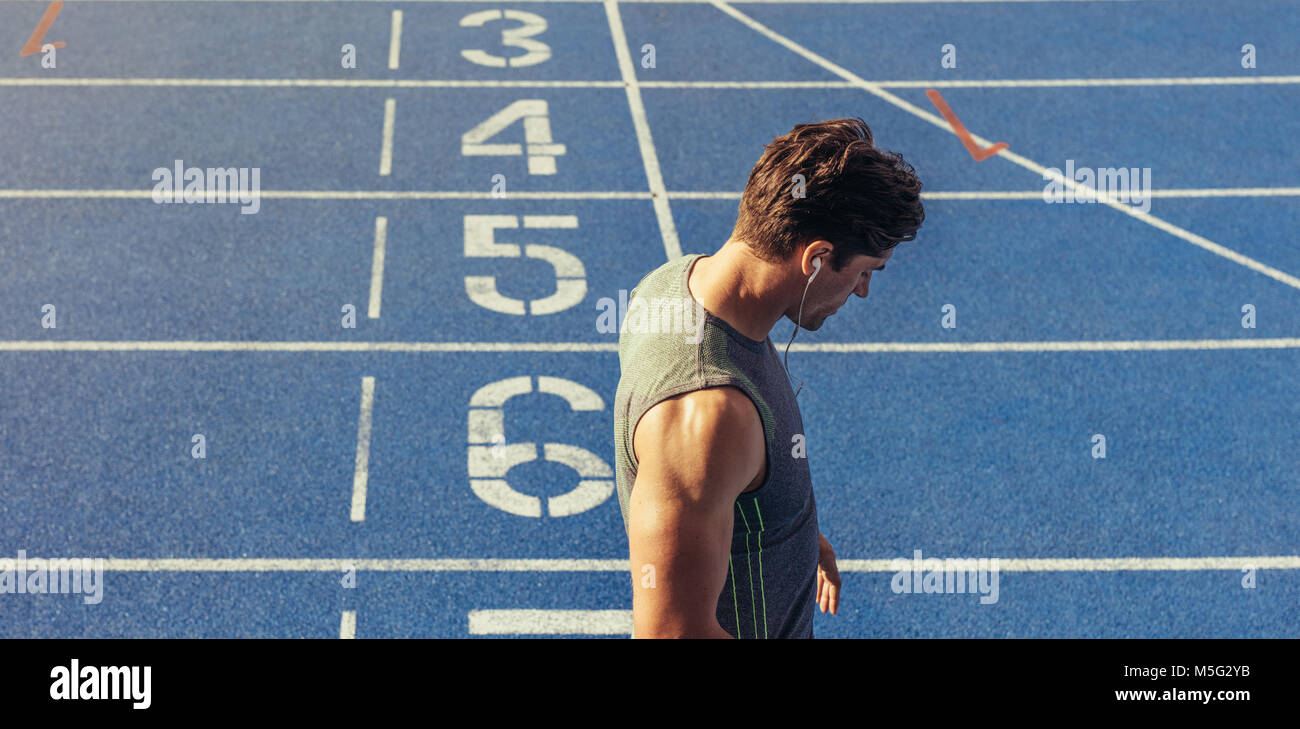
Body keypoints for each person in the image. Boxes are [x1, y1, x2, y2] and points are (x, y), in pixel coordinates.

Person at [612, 117, 925, 638]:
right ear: (819, 258)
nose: (864, 290)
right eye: (866, 270)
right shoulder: (709, 418)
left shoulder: (673, 286)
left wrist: (793, 534)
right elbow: (672, 634)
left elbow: (731, 490)